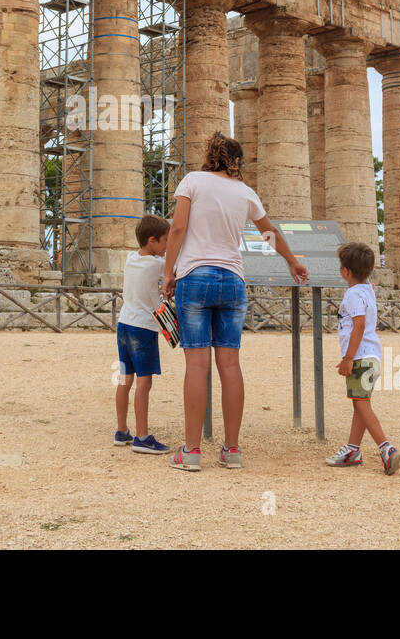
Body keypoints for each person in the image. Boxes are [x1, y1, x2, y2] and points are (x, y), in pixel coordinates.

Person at [162, 132, 307, 472]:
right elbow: (268, 231)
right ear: (237, 161)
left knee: (197, 365)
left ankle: (192, 451)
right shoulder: (245, 193)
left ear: (210, 155)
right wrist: (292, 261)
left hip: (195, 276)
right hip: (233, 280)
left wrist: (168, 272)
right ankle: (232, 450)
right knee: (230, 365)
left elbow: (178, 229)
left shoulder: (193, 181)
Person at [324, 242, 400, 475]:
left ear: (345, 271)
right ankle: (352, 450)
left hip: (359, 358)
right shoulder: (368, 290)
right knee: (359, 403)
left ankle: (386, 448)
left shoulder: (353, 294)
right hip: (372, 356)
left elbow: (358, 325)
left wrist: (348, 358)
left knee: (361, 404)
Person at [114, 214, 173, 454]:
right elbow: (172, 269)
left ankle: (121, 431)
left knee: (124, 379)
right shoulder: (157, 264)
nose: (168, 245)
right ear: (152, 240)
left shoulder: (131, 258)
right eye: (165, 240)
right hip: (143, 327)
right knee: (144, 383)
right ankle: (142, 436)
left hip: (124, 324)